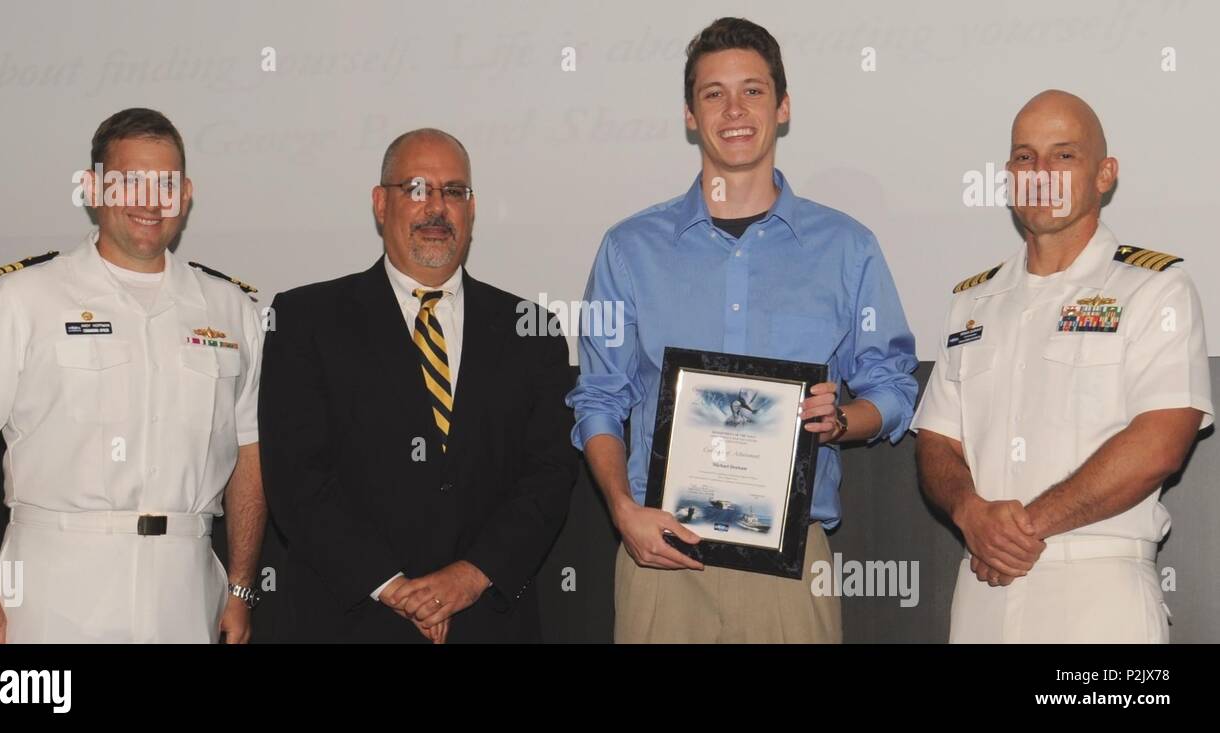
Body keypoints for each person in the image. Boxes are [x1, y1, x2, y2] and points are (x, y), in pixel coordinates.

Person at [566, 17, 919, 643]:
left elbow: (891, 388)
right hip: (661, 553)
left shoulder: (847, 248)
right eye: (713, 93)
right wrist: (622, 511)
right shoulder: (628, 250)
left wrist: (842, 420)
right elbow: (598, 398)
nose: (734, 109)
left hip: (789, 561)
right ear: (688, 114)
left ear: (782, 108)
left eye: (753, 90)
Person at [0, 107, 267, 643]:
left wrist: (241, 589)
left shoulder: (230, 309)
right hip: (50, 588)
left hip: (186, 588)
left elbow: (252, 454)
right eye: (130, 182)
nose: (151, 202)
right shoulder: (25, 298)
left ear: (187, 193)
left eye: (166, 184)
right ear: (92, 189)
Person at [912, 90, 1213, 643]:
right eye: (1025, 157)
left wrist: (1021, 531)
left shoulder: (1155, 288)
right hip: (984, 587)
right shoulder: (970, 301)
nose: (1041, 172)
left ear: (1105, 174)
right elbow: (936, 441)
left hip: (1098, 585)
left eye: (1064, 155)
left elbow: (1161, 441)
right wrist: (970, 512)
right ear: (1008, 176)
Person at [259, 128, 578, 643]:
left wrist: (469, 577)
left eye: (453, 192)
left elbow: (549, 475)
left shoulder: (530, 328)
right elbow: (297, 480)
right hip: (349, 622)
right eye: (416, 189)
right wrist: (390, 587)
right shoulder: (305, 320)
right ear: (380, 204)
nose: (436, 208)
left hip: (487, 622)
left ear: (471, 210)